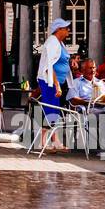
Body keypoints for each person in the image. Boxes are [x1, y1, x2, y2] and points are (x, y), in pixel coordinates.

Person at [33, 18, 72, 153]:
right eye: (66, 28)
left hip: (57, 82)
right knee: (50, 112)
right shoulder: (52, 42)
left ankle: (56, 142)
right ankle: (42, 143)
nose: (68, 30)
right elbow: (49, 66)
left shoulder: (60, 43)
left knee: (55, 112)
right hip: (49, 82)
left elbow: (61, 60)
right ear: (58, 29)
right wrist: (56, 84)